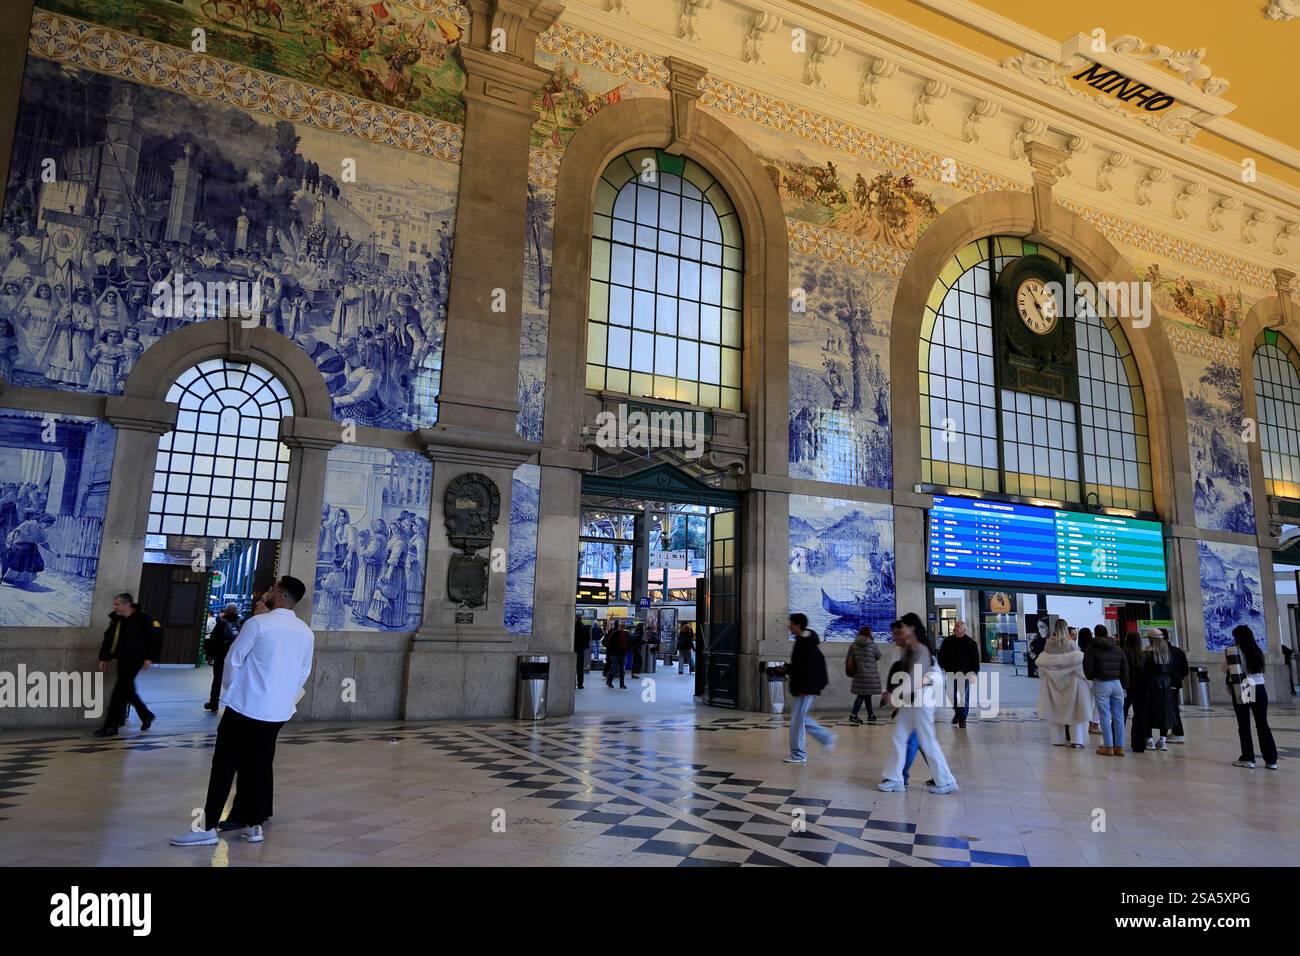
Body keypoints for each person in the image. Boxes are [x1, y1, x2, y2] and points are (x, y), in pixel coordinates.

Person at [171, 575, 315, 847]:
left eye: (273, 589)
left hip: (245, 707)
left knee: (224, 766)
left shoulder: (259, 623)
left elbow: (233, 661)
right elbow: (303, 673)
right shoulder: (306, 632)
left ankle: (207, 827)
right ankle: (254, 825)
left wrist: (233, 693)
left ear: (282, 596)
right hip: (276, 713)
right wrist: (284, 700)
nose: (269, 592)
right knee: (258, 767)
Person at [878, 612, 958, 793]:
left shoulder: (921, 649)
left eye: (902, 628)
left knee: (927, 740)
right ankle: (895, 778)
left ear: (911, 628)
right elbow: (897, 676)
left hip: (922, 701)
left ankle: (946, 781)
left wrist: (922, 682)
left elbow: (933, 676)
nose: (899, 632)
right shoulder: (907, 650)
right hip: (910, 701)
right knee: (899, 737)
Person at [94, 593, 162, 737]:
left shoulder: (144, 619)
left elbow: (156, 639)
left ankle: (111, 726)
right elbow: (108, 639)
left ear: (127, 604)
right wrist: (104, 658)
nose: (115, 606)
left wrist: (149, 658)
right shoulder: (117, 620)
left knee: (118, 692)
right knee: (127, 690)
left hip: (135, 659)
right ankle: (145, 715)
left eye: (117, 604)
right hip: (122, 659)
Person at [779, 613, 834, 763]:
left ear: (798, 625)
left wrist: (803, 687)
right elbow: (799, 665)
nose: (789, 626)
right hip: (804, 686)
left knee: (799, 720)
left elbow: (809, 667)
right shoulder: (803, 641)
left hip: (806, 687)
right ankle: (824, 738)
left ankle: (800, 754)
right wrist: (786, 669)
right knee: (800, 719)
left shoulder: (806, 644)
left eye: (791, 623)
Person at [880, 621, 930, 785]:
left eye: (897, 634)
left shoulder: (919, 650)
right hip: (907, 699)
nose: (894, 637)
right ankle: (941, 776)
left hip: (919, 700)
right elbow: (893, 673)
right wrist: (888, 692)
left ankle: (901, 775)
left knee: (911, 739)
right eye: (893, 634)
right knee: (920, 741)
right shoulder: (897, 651)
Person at [1227, 625, 1277, 770]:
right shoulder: (1257, 650)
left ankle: (1248, 757)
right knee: (1262, 724)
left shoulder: (1234, 651)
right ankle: (1271, 759)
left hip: (1244, 686)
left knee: (1244, 724)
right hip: (1260, 687)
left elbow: (1226, 668)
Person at [1036, 619, 1090, 748]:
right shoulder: (1071, 644)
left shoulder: (1048, 645)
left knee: (1055, 712)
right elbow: (1079, 666)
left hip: (1052, 684)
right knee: (1075, 713)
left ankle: (1057, 740)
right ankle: (1077, 740)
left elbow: (1043, 667)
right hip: (1072, 685)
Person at [1083, 623, 1128, 755]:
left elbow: (1088, 667)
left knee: (1104, 715)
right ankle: (1120, 747)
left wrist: (1092, 677)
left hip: (1101, 683)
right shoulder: (1117, 647)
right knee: (1119, 715)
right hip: (1117, 683)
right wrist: (1124, 684)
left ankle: (1108, 746)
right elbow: (1125, 667)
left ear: (1095, 634)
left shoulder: (1092, 648)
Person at [937, 619, 979, 728]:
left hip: (965, 674)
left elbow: (975, 660)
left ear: (964, 630)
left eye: (958, 627)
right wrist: (941, 666)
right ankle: (959, 713)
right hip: (950, 673)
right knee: (950, 693)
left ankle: (962, 718)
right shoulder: (947, 641)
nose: (955, 628)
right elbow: (941, 656)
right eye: (955, 626)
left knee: (963, 697)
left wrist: (974, 673)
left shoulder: (971, 643)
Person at [1142, 629, 1177, 751]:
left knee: (1148, 710)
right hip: (1166, 684)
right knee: (1165, 711)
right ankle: (1162, 740)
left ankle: (1149, 739)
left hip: (1151, 683)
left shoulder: (1147, 652)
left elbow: (1143, 669)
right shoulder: (1167, 653)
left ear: (1151, 639)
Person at [204, 603, 241, 712]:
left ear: (227, 612)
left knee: (217, 680)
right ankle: (232, 705)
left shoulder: (222, 622)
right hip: (236, 657)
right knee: (235, 680)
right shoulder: (242, 622)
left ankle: (214, 703)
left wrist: (210, 655)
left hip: (221, 656)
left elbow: (214, 639)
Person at [847, 625, 882, 724]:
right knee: (862, 695)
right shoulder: (872, 644)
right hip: (870, 675)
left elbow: (851, 659)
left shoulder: (854, 645)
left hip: (859, 674)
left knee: (866, 694)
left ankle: (871, 714)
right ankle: (853, 715)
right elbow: (879, 656)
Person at [1123, 631, 1151, 752]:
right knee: (1140, 714)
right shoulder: (1143, 655)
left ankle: (1116, 741)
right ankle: (1140, 744)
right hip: (1142, 683)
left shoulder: (1124, 652)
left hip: (1128, 683)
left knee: (1121, 712)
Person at [1077, 626, 1101, 735]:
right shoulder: (1094, 648)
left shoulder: (1078, 649)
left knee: (1088, 701)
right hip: (1094, 677)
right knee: (1097, 701)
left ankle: (1086, 722)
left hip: (1083, 678)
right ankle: (1094, 724)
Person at [1167, 635, 1189, 743]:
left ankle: (1178, 732)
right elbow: (1185, 670)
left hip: (1166, 684)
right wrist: (1178, 678)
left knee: (1171, 709)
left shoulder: (1163, 651)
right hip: (1175, 684)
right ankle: (1175, 732)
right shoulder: (1179, 651)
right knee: (1173, 708)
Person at [603, 622, 628, 688]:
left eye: (623, 626)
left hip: (622, 653)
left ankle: (621, 684)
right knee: (614, 668)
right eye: (621, 626)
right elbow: (609, 644)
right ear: (618, 626)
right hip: (615, 654)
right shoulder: (615, 633)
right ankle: (609, 682)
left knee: (621, 669)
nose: (622, 627)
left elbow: (628, 643)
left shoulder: (625, 634)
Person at [573, 614, 590, 690]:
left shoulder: (573, 628)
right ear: (581, 619)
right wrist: (584, 647)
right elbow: (588, 639)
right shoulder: (585, 628)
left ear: (576, 619)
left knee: (572, 667)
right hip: (581, 650)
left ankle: (572, 683)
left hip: (573, 650)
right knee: (580, 668)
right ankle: (580, 684)